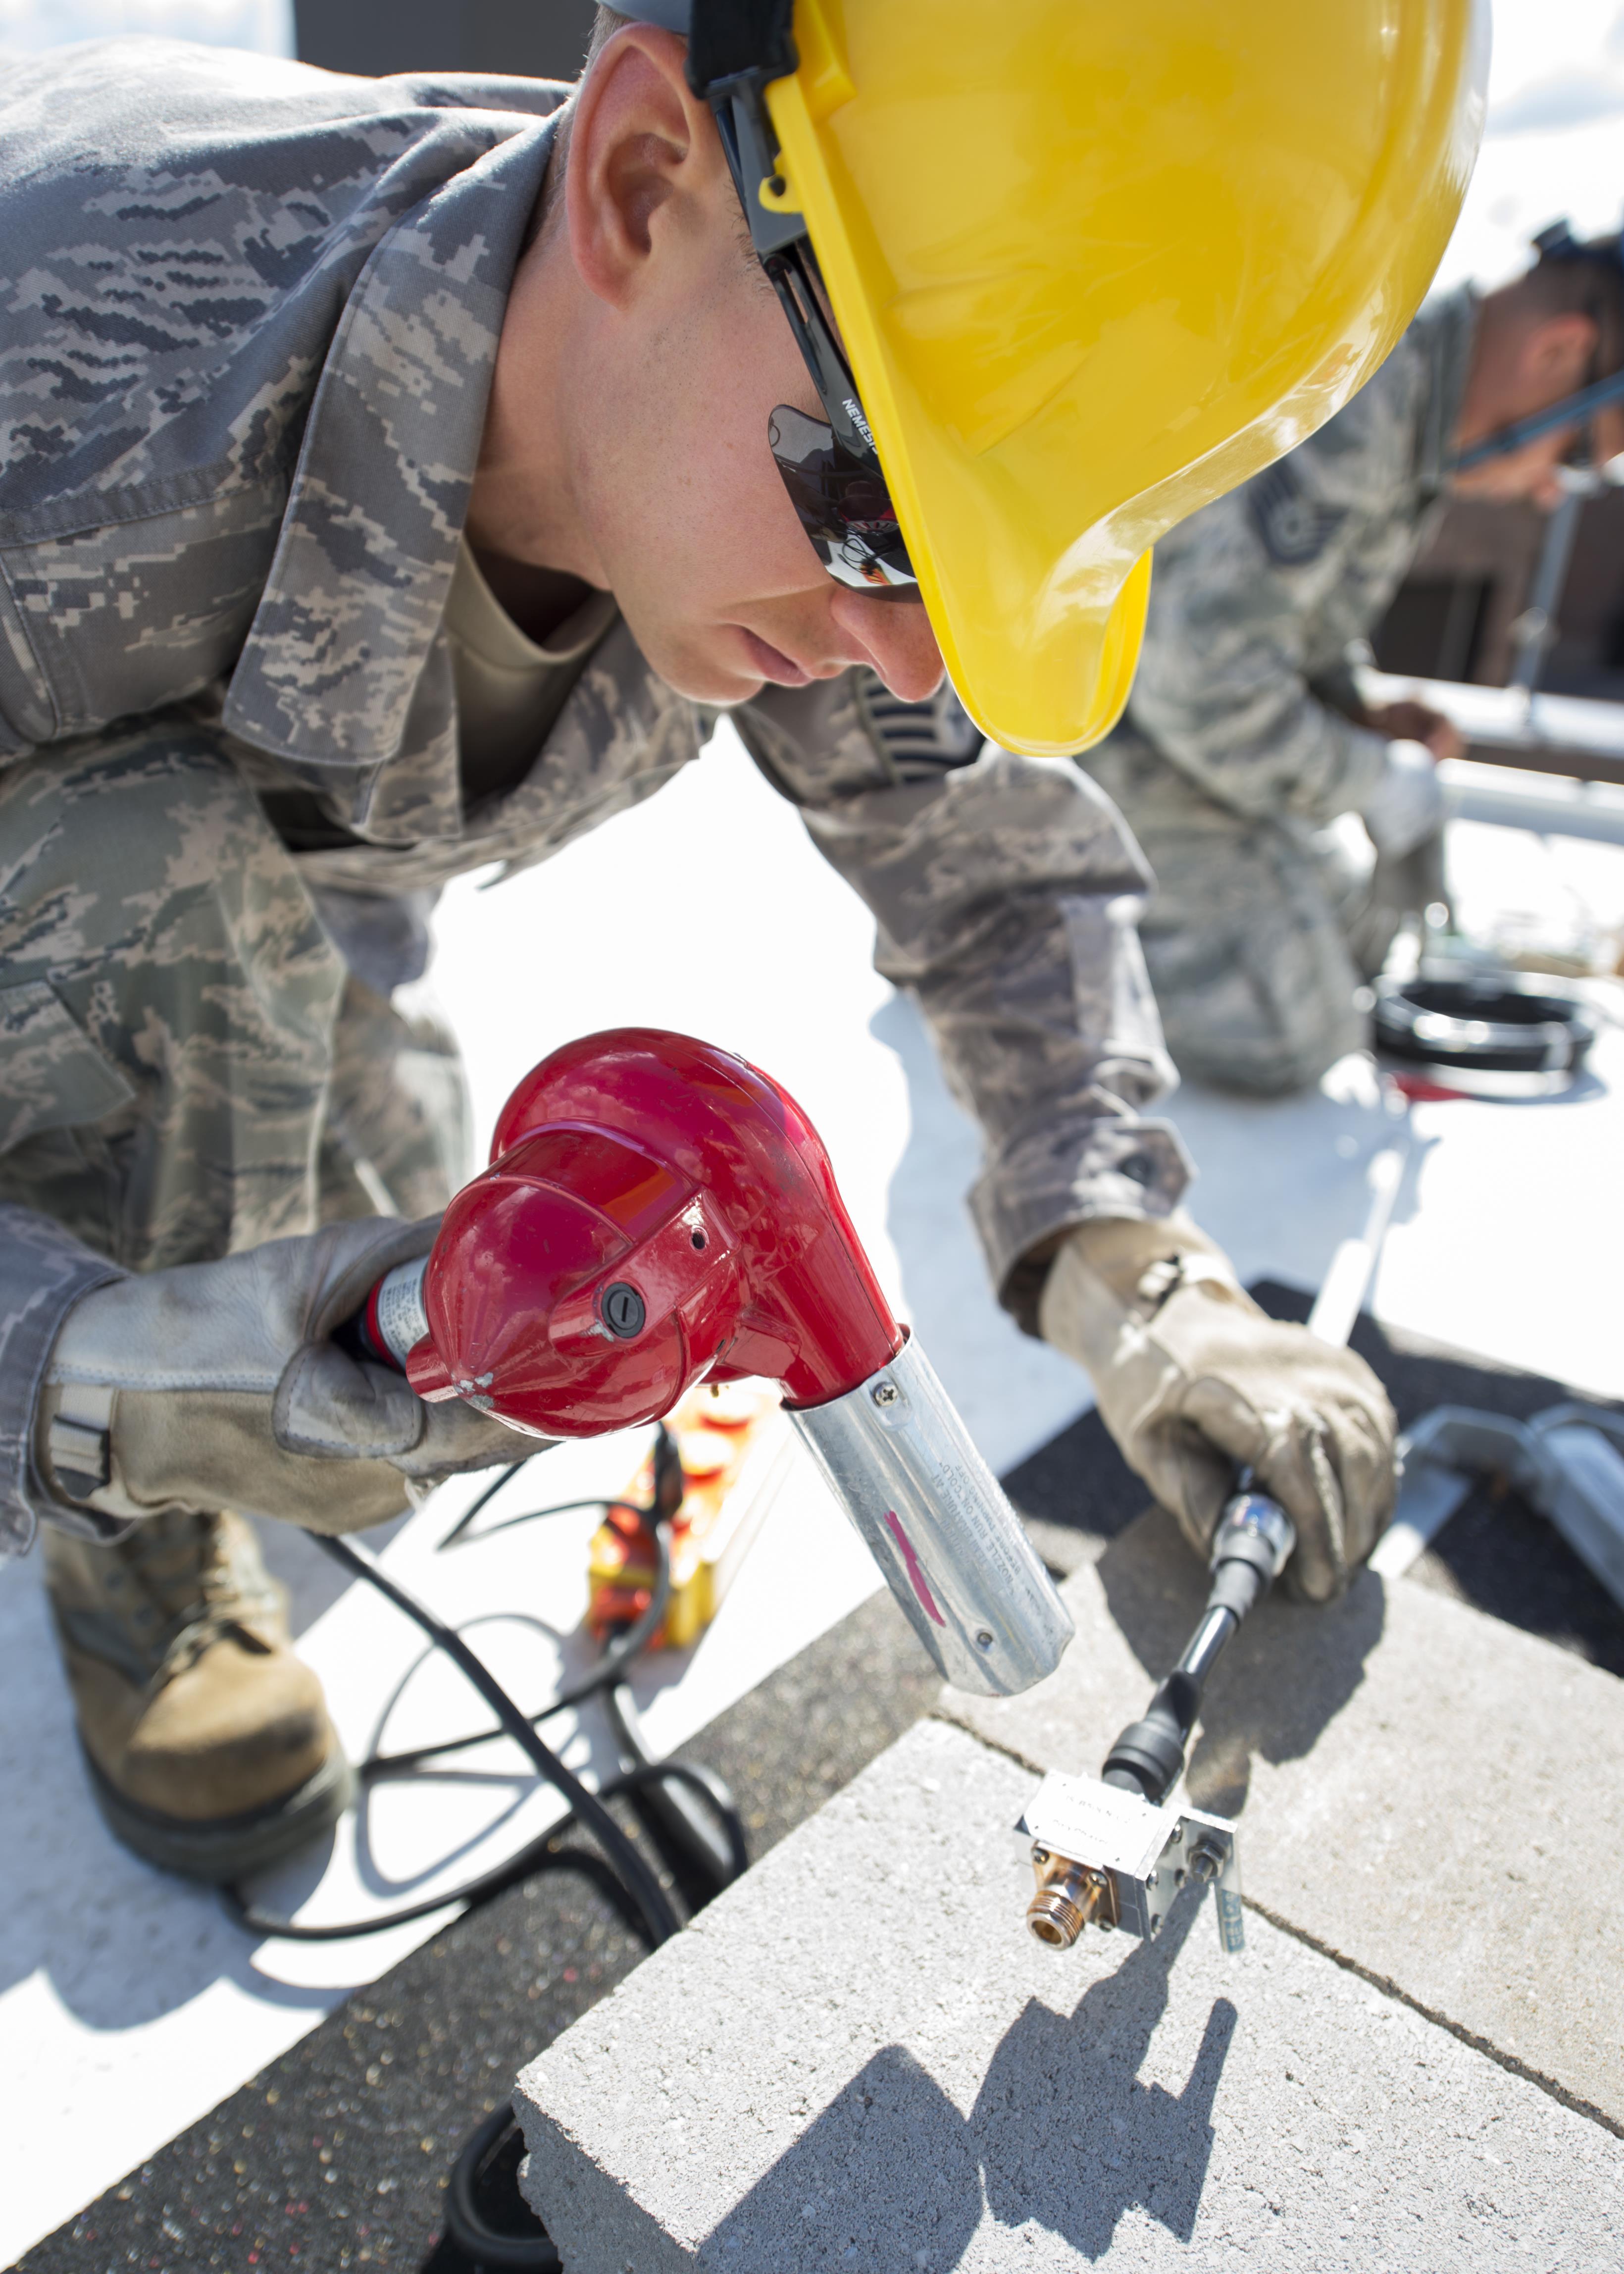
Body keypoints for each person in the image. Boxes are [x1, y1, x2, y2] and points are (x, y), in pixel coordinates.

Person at [0, 1, 1474, 1878]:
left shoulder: (749, 374)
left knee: (385, 1253)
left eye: (980, 571)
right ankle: (141, 1568)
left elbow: (988, 852)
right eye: (885, 520)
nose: (914, 657)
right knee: (165, 922)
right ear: (638, 183)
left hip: (318, 860)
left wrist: (1131, 1262)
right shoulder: (71, 384)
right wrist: (77, 1365)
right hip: (95, 823)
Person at [1081, 222, 1624, 1096]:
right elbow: (1201, 682)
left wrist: (1358, 711)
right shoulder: (1362, 391)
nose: (1556, 486)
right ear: (1561, 351)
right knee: (1290, 1032)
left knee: (1356, 944)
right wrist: (1366, 778)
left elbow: (1283, 625)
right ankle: (1003, 925)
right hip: (1088, 732)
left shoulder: (1411, 394)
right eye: (1578, 450)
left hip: (1160, 729)